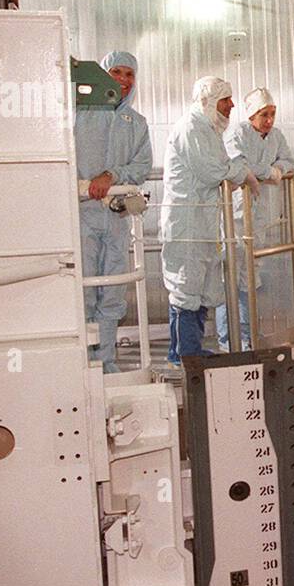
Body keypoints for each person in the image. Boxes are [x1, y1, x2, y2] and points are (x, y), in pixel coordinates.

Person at [160, 77, 251, 364]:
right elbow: (213, 170)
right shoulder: (191, 128)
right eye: (226, 100)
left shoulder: (207, 128)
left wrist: (235, 171)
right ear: (209, 102)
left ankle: (187, 350)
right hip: (187, 223)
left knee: (196, 286)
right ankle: (186, 354)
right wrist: (241, 173)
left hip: (200, 222)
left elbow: (221, 167)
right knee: (186, 286)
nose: (232, 105)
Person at [75, 50, 151, 373]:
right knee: (85, 291)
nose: (122, 80)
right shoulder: (79, 114)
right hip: (82, 217)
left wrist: (113, 176)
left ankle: (106, 362)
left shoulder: (137, 123)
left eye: (129, 74)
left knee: (113, 294)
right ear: (104, 75)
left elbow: (142, 164)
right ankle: (85, 364)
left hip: (116, 219)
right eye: (116, 72)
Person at [217, 87, 294, 351]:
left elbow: (289, 161)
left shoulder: (275, 136)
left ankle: (249, 334)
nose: (269, 120)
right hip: (235, 214)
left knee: (250, 275)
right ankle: (229, 340)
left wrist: (275, 170)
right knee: (231, 274)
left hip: (257, 214)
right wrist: (269, 172)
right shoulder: (237, 134)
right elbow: (239, 164)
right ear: (252, 115)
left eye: (272, 114)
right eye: (264, 114)